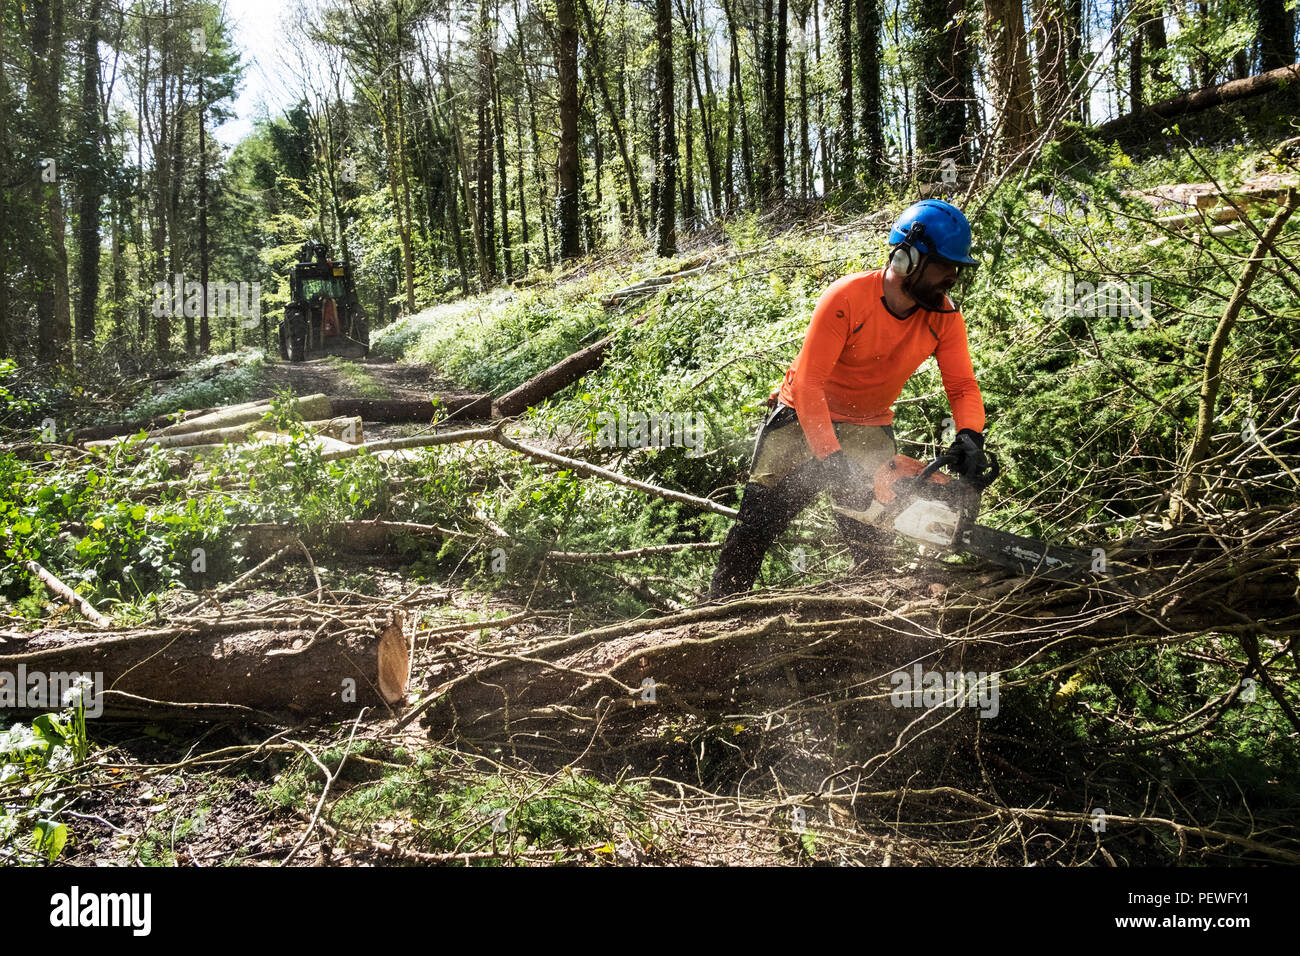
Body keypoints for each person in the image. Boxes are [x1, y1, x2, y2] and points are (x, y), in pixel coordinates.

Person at [708, 199, 990, 600]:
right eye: (945, 266)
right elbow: (809, 387)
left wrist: (969, 437)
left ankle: (870, 628)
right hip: (804, 416)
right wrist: (832, 459)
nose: (952, 277)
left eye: (957, 268)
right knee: (756, 528)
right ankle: (716, 614)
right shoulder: (847, 298)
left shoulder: (943, 317)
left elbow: (962, 386)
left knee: (874, 540)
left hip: (868, 424)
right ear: (909, 258)